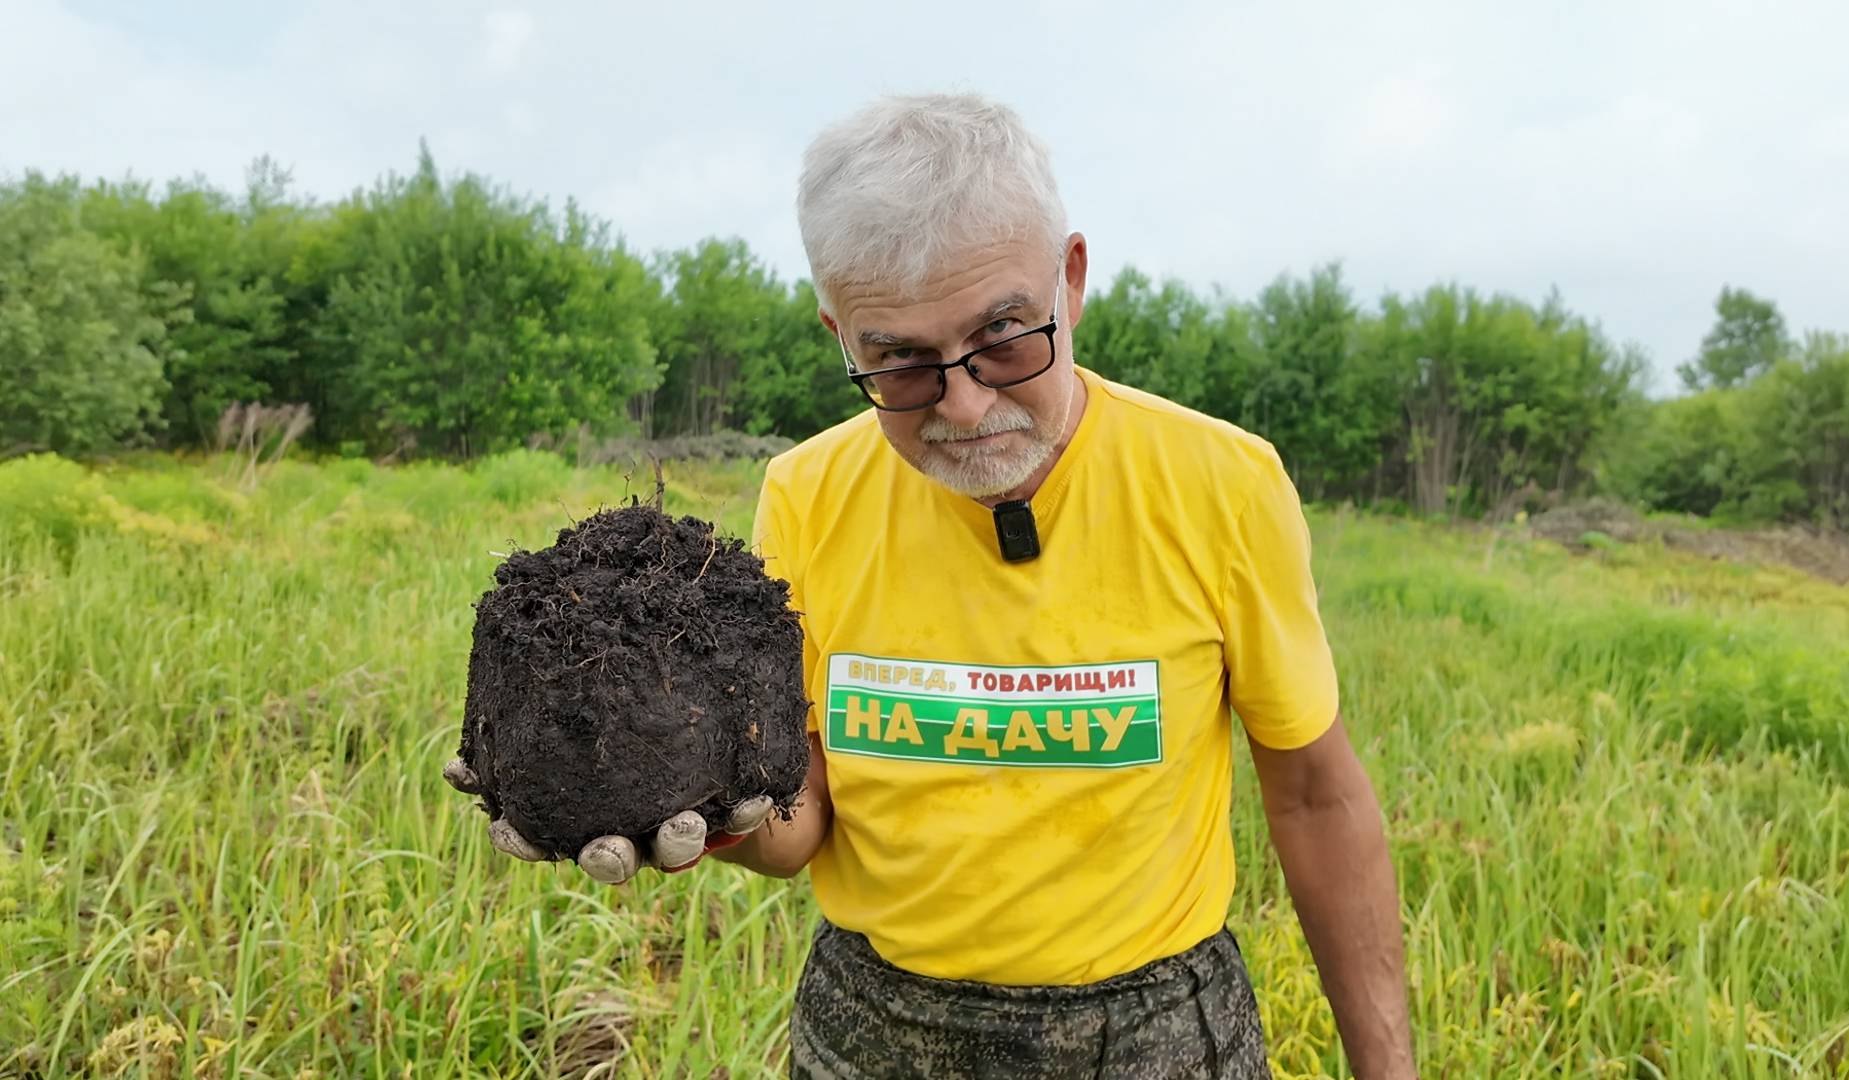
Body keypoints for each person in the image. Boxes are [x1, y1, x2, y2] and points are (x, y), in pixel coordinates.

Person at [446, 93, 1414, 1079]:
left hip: (1152, 1031)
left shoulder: (1220, 485)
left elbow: (1316, 800)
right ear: (841, 335)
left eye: (1004, 335)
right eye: (901, 361)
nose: (964, 405)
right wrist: (699, 807)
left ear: (1071, 281)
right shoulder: (809, 495)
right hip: (876, 1026)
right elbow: (804, 813)